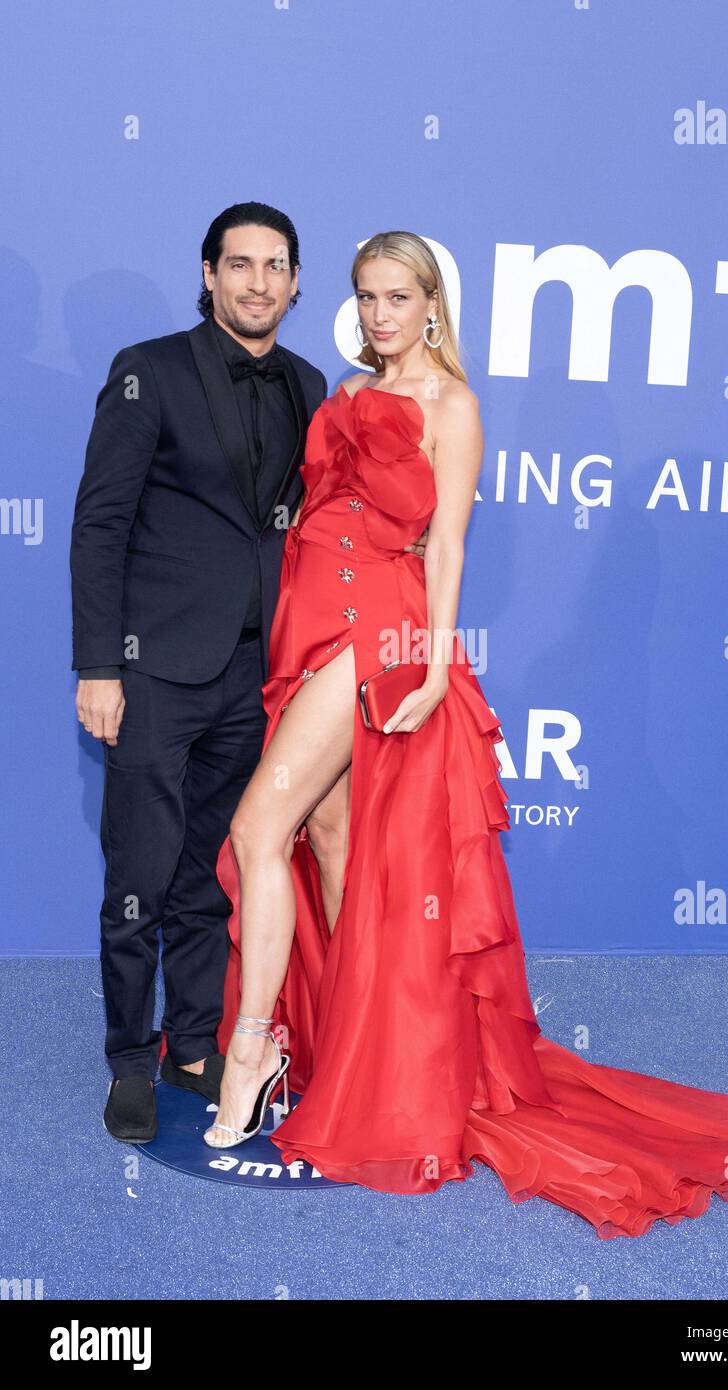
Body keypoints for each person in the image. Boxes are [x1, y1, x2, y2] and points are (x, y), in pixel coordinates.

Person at [204, 231, 728, 1240]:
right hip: (308, 628)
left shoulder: (453, 406)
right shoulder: (340, 395)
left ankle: (253, 1051)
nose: (379, 316)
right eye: (365, 298)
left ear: (434, 304)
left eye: (398, 297)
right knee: (327, 846)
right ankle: (373, 1056)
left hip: (377, 637)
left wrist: (436, 660)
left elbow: (444, 543)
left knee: (254, 832)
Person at [71, 202, 427, 1145]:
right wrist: (100, 666)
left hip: (261, 672)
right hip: (154, 671)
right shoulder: (148, 373)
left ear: (298, 283)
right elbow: (100, 523)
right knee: (139, 874)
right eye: (240, 265)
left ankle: (195, 1045)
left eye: (276, 267)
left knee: (214, 872)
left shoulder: (314, 385)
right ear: (208, 273)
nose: (258, 282)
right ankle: (128, 1060)